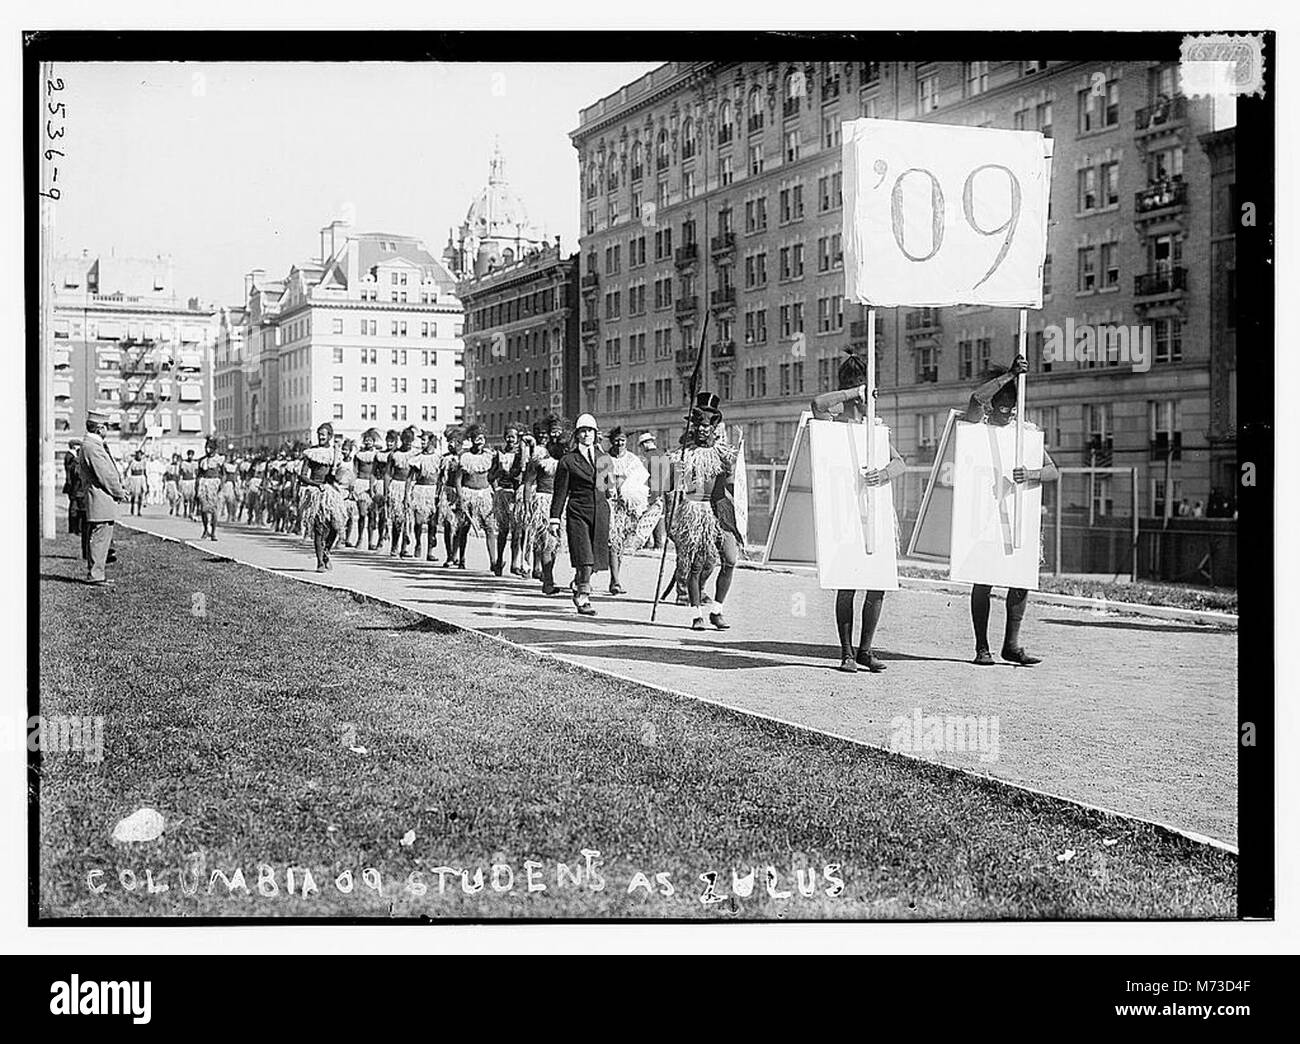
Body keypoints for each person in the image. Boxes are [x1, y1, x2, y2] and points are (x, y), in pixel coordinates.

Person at [811, 349, 906, 673]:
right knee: (847, 583)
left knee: (877, 582)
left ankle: (866, 649)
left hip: (874, 510)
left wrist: (884, 474)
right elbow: (817, 404)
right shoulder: (832, 421)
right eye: (863, 390)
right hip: (845, 511)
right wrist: (855, 392)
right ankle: (847, 651)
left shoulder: (874, 427)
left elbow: (900, 463)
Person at [962, 355, 1059, 666]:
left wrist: (1029, 474)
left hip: (1017, 514)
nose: (1007, 415)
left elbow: (1052, 471)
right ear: (993, 406)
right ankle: (982, 647)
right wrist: (1010, 376)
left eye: (1012, 409)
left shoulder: (1025, 433)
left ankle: (1012, 645)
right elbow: (976, 398)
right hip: (984, 514)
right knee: (984, 579)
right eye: (1002, 408)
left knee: (1019, 578)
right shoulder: (977, 427)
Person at [668, 395, 739, 630]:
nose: (701, 430)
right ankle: (697, 614)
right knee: (697, 564)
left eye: (706, 426)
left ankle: (717, 611)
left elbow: (730, 484)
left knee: (729, 559)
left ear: (714, 429)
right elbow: (670, 486)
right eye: (697, 425)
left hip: (719, 509)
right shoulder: (684, 454)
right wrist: (670, 518)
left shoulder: (722, 453)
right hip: (695, 510)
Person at [549, 413, 610, 616]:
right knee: (585, 557)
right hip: (578, 511)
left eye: (590, 431)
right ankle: (583, 597)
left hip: (600, 512)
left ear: (595, 434)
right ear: (577, 435)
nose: (586, 435)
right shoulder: (568, 460)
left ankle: (578, 581)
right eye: (583, 431)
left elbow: (606, 487)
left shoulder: (603, 458)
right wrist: (554, 519)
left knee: (594, 560)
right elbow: (561, 491)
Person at [602, 426, 655, 595]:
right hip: (608, 505)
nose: (619, 443)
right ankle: (613, 579)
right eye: (616, 440)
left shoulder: (633, 460)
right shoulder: (604, 459)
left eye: (622, 441)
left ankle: (615, 578)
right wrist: (610, 485)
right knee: (611, 543)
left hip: (626, 508)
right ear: (611, 441)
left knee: (619, 543)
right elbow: (599, 483)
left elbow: (640, 482)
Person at [76, 410, 126, 584]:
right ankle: (96, 575)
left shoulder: (91, 445)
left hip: (99, 498)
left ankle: (97, 573)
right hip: (100, 498)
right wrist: (119, 492)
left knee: (100, 537)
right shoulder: (92, 447)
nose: (108, 430)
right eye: (107, 427)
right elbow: (105, 475)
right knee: (100, 538)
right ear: (99, 428)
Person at [521, 415, 566, 595]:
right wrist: (526, 505)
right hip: (543, 501)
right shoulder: (539, 456)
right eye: (551, 433)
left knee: (556, 544)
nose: (554, 436)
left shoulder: (568, 455)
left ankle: (549, 576)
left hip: (562, 502)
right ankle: (548, 580)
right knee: (547, 542)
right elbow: (528, 482)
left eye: (557, 432)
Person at [297, 422, 348, 572]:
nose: (321, 437)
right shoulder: (311, 453)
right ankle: (319, 562)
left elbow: (339, 474)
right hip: (315, 492)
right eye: (319, 434)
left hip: (331, 492)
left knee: (335, 526)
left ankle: (326, 551)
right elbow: (302, 476)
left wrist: (337, 477)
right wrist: (315, 484)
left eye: (323, 434)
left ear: (330, 437)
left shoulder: (335, 453)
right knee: (319, 528)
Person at [455, 424, 499, 573]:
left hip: (485, 494)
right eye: (476, 438)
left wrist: (496, 492)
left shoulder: (489, 456)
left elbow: (492, 477)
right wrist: (461, 497)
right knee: (464, 527)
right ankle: (461, 558)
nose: (480, 441)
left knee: (490, 528)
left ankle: (494, 562)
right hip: (469, 494)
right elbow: (458, 480)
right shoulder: (465, 457)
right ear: (472, 440)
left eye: (482, 438)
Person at [490, 424, 527, 577]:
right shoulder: (499, 454)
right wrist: (496, 486)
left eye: (513, 436)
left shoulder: (522, 454)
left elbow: (525, 474)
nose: (510, 439)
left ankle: (514, 563)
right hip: (504, 494)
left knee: (518, 531)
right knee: (503, 530)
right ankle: (499, 561)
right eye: (508, 436)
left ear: (518, 438)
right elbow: (490, 476)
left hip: (517, 495)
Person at [406, 429, 442, 562]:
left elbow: (442, 477)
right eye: (421, 440)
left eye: (424, 440)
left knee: (433, 523)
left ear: (431, 441)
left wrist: (440, 493)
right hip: (420, 491)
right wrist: (406, 495)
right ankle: (418, 543)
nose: (422, 442)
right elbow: (410, 478)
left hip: (433, 491)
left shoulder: (438, 458)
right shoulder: (417, 458)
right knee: (418, 522)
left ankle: (430, 551)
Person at [384, 427, 417, 557]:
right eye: (405, 440)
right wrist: (387, 491)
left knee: (408, 519)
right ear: (402, 440)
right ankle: (394, 545)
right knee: (398, 518)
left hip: (411, 487)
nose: (408, 443)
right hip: (396, 486)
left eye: (410, 441)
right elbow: (387, 474)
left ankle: (404, 548)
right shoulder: (394, 455)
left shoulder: (415, 455)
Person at [437, 427, 467, 567]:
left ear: (460, 443)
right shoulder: (445, 458)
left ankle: (460, 556)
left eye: (454, 441)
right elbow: (440, 478)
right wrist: (437, 495)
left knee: (461, 527)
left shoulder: (466, 458)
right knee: (448, 525)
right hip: (448, 493)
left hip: (463, 493)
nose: (451, 444)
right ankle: (449, 555)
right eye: (449, 441)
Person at [351, 428, 382, 549]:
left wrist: (375, 486)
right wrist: (353, 486)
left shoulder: (377, 455)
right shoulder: (359, 454)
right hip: (360, 484)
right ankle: (359, 538)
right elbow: (355, 470)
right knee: (362, 514)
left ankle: (370, 541)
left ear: (374, 442)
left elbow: (378, 470)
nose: (368, 442)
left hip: (373, 484)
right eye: (366, 440)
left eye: (370, 440)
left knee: (372, 515)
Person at [637, 431, 666, 550]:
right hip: (663, 489)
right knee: (659, 515)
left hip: (649, 489)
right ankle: (658, 543)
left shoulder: (645, 458)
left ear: (644, 445)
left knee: (648, 515)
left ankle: (648, 542)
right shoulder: (662, 455)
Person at [194, 436, 225, 541]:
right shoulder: (202, 460)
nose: (208, 450)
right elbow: (199, 475)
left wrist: (221, 486)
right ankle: (205, 529)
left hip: (214, 484)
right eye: (207, 447)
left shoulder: (219, 460)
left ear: (214, 449)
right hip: (204, 484)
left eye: (210, 448)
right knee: (203, 509)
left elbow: (223, 474)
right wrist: (196, 489)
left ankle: (213, 532)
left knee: (214, 510)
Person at [63, 440, 84, 536]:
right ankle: (75, 529)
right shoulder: (73, 459)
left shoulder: (73, 458)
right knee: (76, 509)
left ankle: (75, 529)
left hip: (76, 488)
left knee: (76, 509)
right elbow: (72, 474)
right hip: (76, 488)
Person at [125, 450, 149, 516]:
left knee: (140, 495)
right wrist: (128, 480)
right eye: (138, 454)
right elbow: (128, 470)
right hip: (134, 478)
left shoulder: (143, 462)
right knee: (133, 495)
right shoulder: (132, 462)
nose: (139, 456)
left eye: (140, 455)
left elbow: (145, 471)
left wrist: (146, 481)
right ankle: (132, 509)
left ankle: (139, 511)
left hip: (141, 478)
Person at [179, 450, 199, 519]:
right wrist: (181, 481)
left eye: (191, 455)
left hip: (192, 481)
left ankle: (191, 512)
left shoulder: (195, 463)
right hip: (185, 481)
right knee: (185, 498)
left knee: (192, 498)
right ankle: (185, 511)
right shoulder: (184, 463)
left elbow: (196, 472)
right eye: (189, 455)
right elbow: (181, 472)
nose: (190, 456)